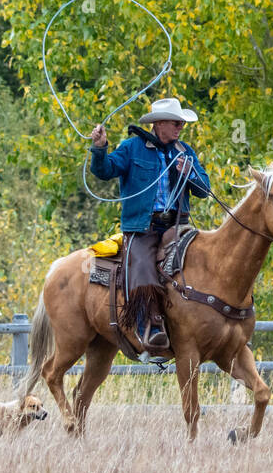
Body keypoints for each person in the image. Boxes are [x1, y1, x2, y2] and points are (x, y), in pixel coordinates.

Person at [88, 97, 210, 351]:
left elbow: (204, 190)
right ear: (159, 124)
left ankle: (205, 317)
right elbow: (105, 170)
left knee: (204, 258)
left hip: (178, 225)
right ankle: (150, 326)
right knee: (142, 268)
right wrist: (100, 149)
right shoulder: (132, 148)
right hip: (143, 228)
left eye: (182, 124)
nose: (180, 127)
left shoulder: (185, 151)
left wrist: (190, 173)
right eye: (176, 123)